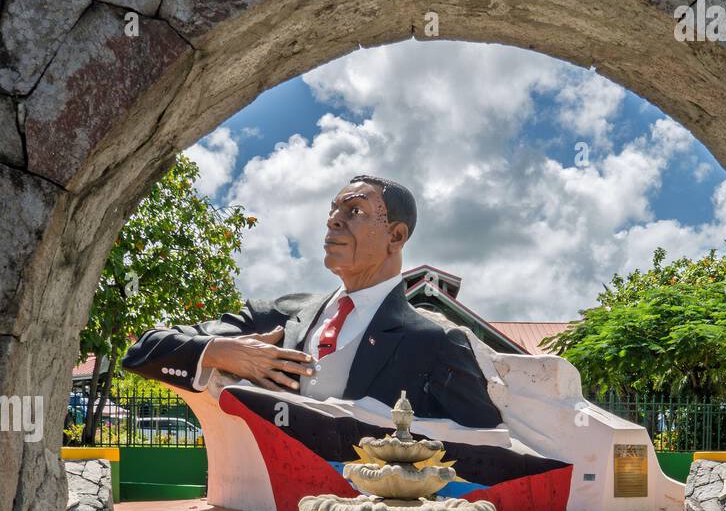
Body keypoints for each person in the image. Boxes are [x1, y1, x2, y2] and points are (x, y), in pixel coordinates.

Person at [122, 175, 502, 429]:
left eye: (354, 211)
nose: (333, 221)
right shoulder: (279, 316)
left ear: (396, 235)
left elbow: (486, 442)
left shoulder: (434, 342)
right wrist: (222, 352)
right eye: (333, 211)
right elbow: (143, 350)